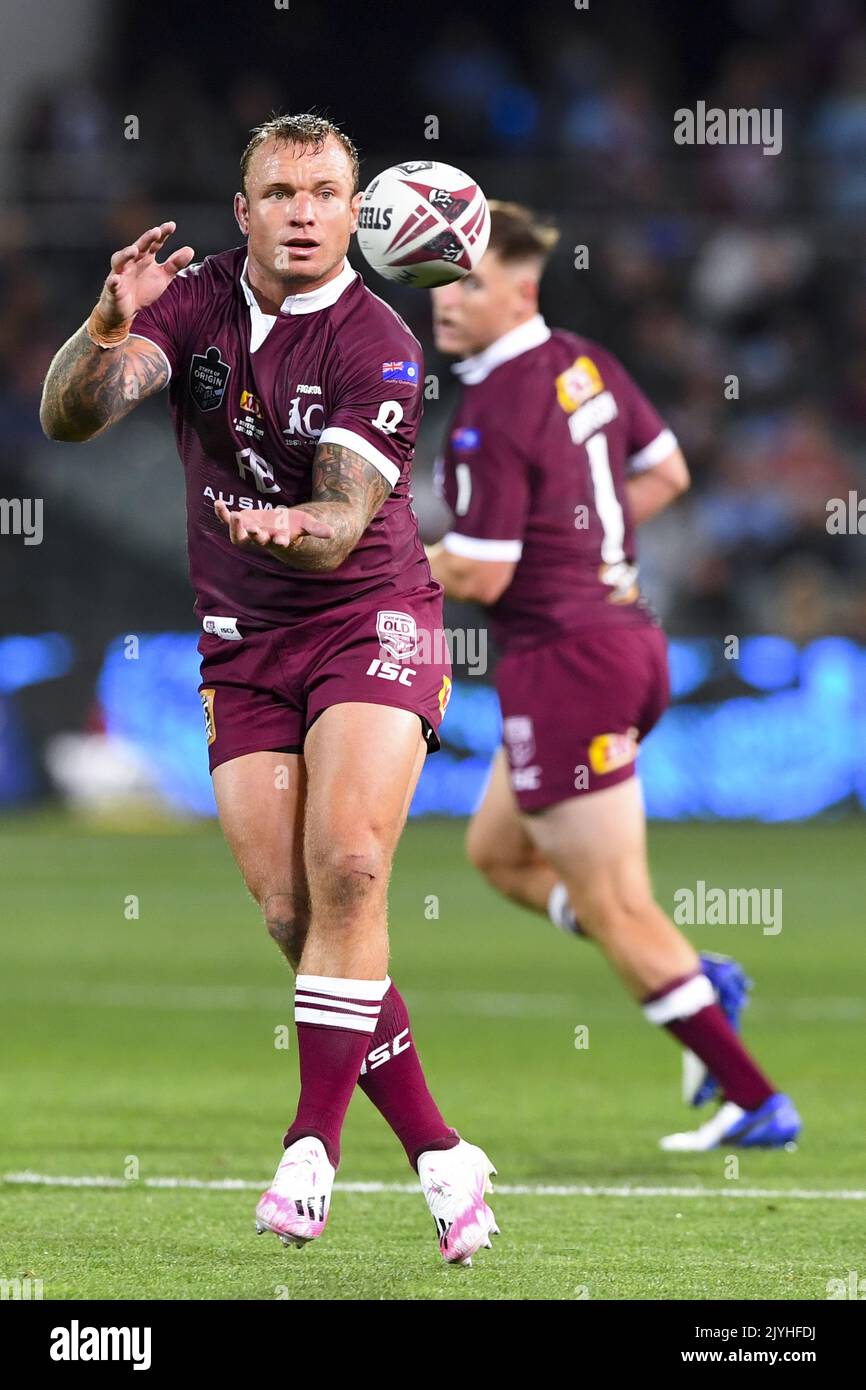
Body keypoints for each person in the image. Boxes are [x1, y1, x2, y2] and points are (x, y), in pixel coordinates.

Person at [39, 113, 498, 1263]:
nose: (302, 210)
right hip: (241, 642)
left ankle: (310, 1147)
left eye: (325, 191)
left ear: (356, 214)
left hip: (368, 619)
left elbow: (342, 526)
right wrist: (106, 323)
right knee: (296, 916)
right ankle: (442, 1150)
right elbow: (71, 415)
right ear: (241, 213)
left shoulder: (378, 340)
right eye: (280, 191)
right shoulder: (191, 308)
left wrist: (289, 521)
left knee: (349, 864)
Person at [427, 201, 801, 1151]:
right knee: (498, 856)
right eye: (444, 279)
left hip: (568, 664)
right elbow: (668, 472)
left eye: (472, 283)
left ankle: (755, 1098)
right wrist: (586, 544)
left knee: (617, 904)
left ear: (523, 292)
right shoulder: (584, 361)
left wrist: (363, 562)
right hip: (621, 641)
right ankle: (699, 975)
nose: (448, 300)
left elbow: (478, 572)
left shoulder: (490, 413)